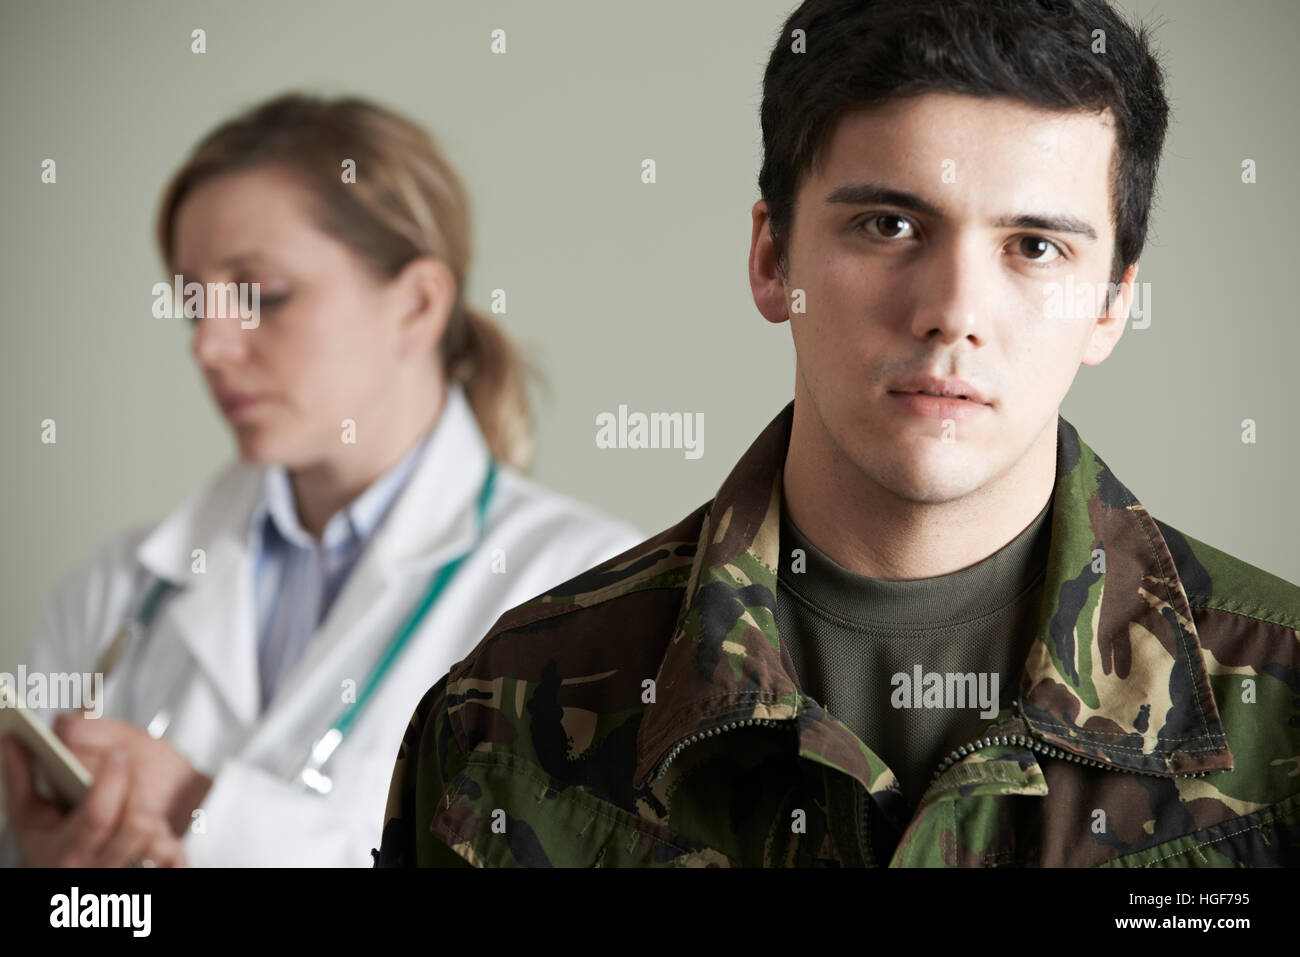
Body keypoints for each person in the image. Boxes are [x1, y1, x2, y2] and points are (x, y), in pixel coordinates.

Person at [376, 0, 1300, 868]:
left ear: (1111, 305)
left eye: (1034, 247)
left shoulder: (1283, 703)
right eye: (889, 225)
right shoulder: (499, 726)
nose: (953, 313)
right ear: (772, 258)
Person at [0, 92, 641, 868]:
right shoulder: (113, 591)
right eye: (193, 303)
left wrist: (206, 810)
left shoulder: (591, 592)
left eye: (261, 295)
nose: (208, 346)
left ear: (416, 305)